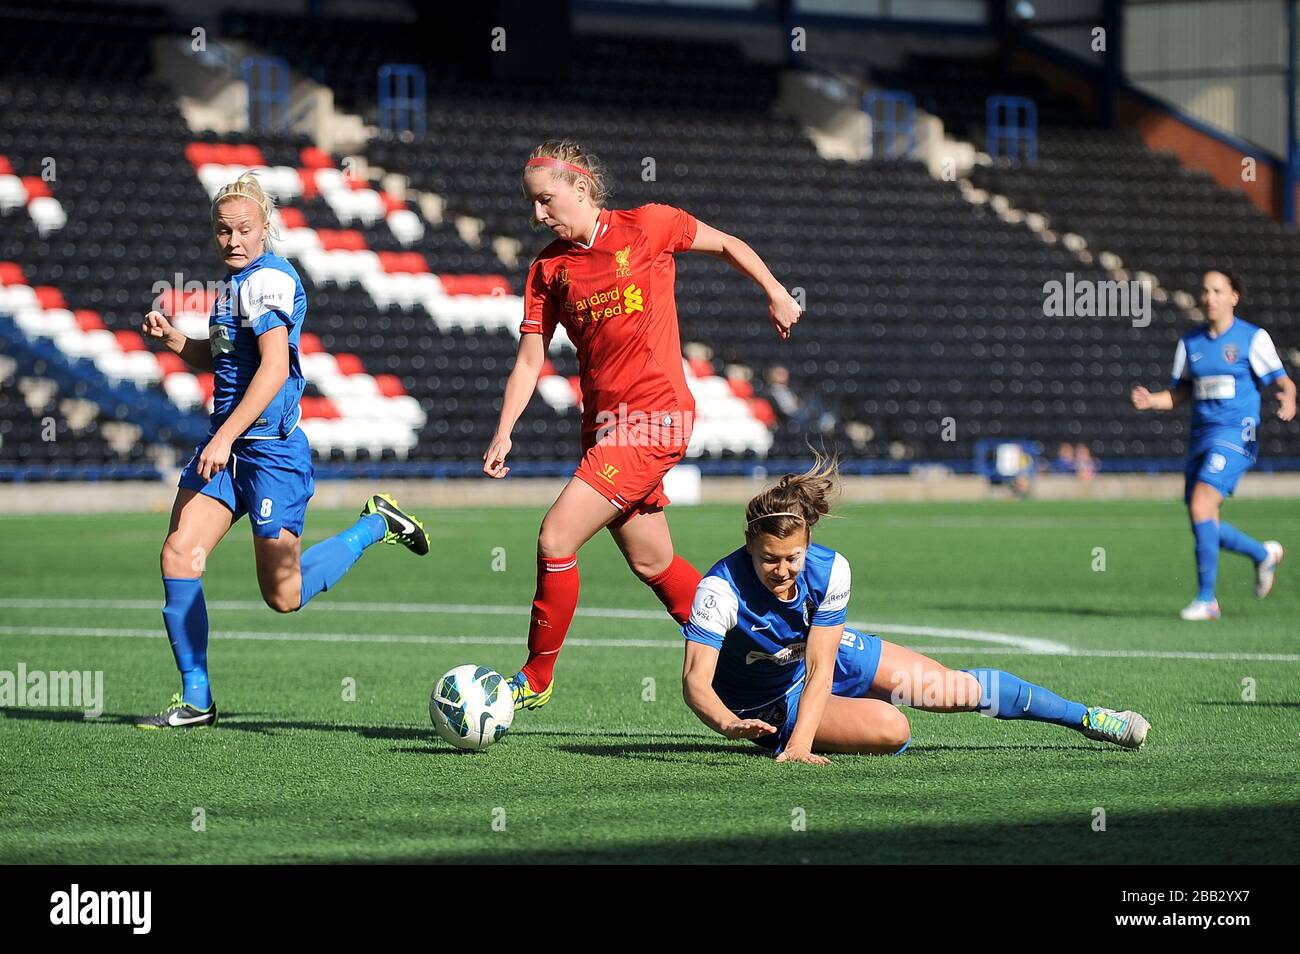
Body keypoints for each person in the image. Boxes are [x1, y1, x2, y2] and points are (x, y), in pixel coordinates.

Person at [483, 139, 802, 710]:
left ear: (581, 189)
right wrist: (505, 429)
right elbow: (530, 360)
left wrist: (775, 290)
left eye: (546, 200)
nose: (538, 215)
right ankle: (760, 649)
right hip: (605, 428)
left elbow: (725, 243)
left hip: (655, 418)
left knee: (556, 537)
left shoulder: (650, 225)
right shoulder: (548, 269)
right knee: (652, 561)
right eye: (532, 204)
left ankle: (535, 677)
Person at [135, 172, 429, 729]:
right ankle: (196, 699)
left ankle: (374, 525)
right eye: (224, 231)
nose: (234, 240)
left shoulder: (268, 279)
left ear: (266, 227)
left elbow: (273, 369)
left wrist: (224, 437)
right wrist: (175, 340)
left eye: (244, 229)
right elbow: (223, 360)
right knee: (179, 554)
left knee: (284, 595)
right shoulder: (232, 284)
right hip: (225, 449)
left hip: (269, 452)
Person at [681, 452, 1150, 762]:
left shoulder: (832, 570)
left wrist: (804, 744)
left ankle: (1088, 717)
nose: (782, 571)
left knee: (949, 690)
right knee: (893, 729)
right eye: (769, 559)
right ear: (748, 545)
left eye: (792, 558)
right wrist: (729, 724)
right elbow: (694, 681)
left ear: (808, 543)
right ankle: (807, 727)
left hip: (821, 662)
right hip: (766, 700)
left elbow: (822, 667)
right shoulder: (720, 589)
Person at [1131, 269, 1295, 620]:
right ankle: (1263, 554)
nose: (1209, 297)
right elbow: (1180, 394)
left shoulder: (1253, 338)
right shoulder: (1190, 343)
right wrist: (1151, 400)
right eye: (1205, 291)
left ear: (1234, 296)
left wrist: (1289, 399)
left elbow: (1283, 381)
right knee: (1201, 518)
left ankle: (1207, 601)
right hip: (1202, 437)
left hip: (1238, 434)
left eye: (1218, 291)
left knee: (1203, 501)